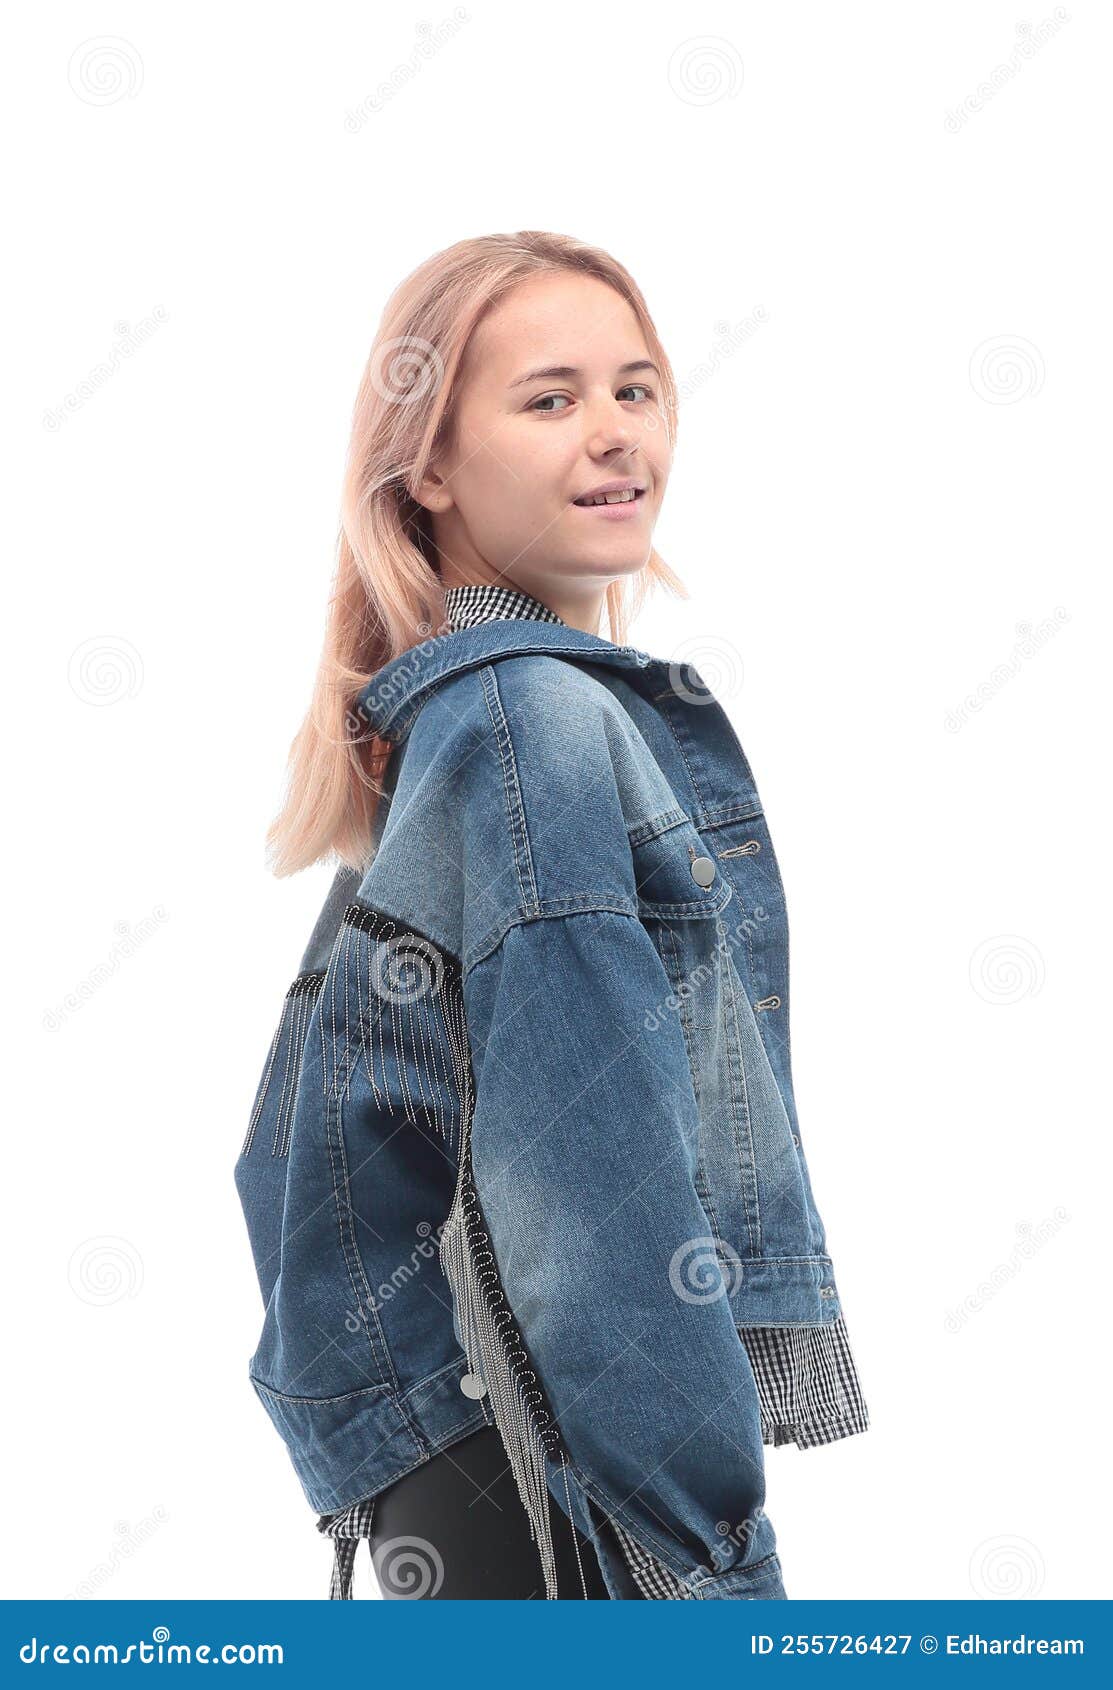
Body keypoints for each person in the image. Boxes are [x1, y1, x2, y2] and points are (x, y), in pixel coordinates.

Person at [234, 231, 869, 1601]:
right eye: (550, 397)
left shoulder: (471, 726)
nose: (613, 434)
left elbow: (289, 1162)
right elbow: (593, 1208)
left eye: (637, 390)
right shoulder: (529, 727)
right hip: (548, 1504)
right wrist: (711, 1560)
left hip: (460, 1496)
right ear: (432, 465)